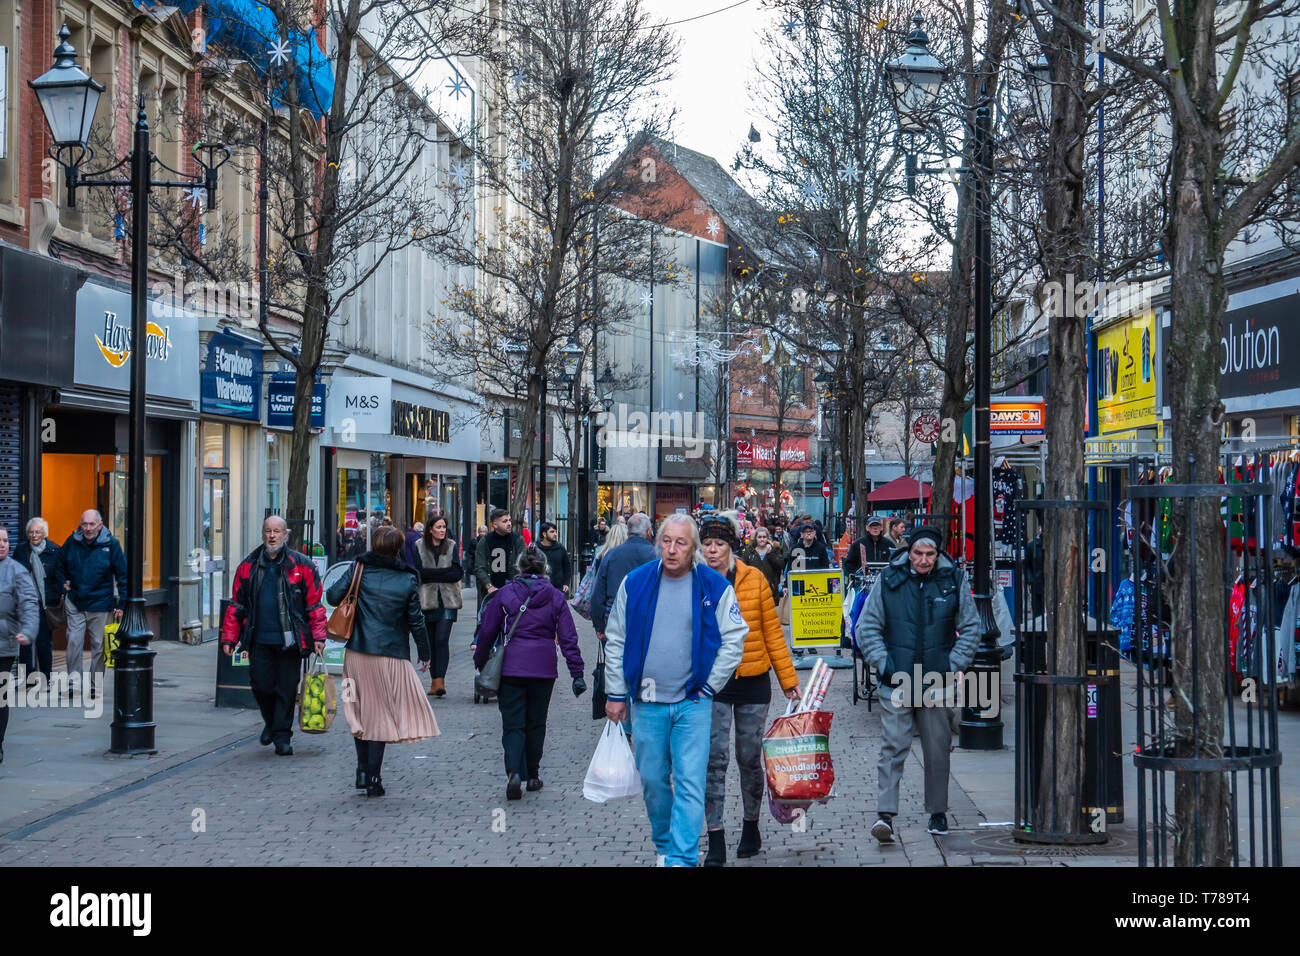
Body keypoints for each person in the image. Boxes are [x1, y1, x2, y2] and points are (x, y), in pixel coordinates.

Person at [604, 514, 748, 867]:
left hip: (692, 703)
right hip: (648, 702)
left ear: (694, 548)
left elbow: (734, 637)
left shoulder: (714, 587)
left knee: (690, 781)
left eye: (680, 543)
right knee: (653, 780)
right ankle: (666, 844)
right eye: (666, 541)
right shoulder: (636, 583)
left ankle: (681, 859)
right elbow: (616, 638)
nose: (671, 549)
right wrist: (615, 693)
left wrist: (710, 685)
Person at [854, 526, 981, 841]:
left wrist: (951, 666)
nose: (923, 560)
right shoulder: (890, 579)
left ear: (937, 555)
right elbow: (866, 627)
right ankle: (885, 815)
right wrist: (884, 665)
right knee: (893, 746)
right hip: (896, 679)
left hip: (936, 681)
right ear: (908, 552)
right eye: (918, 553)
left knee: (938, 749)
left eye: (930, 554)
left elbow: (971, 627)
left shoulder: (953, 580)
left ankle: (938, 813)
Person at [699, 514, 800, 866]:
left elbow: (773, 632)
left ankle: (751, 826)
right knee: (714, 760)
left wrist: (789, 681)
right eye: (707, 544)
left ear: (732, 547)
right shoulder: (694, 581)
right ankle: (714, 837)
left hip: (754, 681)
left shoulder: (754, 579)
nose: (712, 551)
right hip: (713, 682)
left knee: (748, 758)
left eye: (720, 544)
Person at [328, 526, 439, 797]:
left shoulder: (358, 568)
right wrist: (425, 653)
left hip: (355, 655)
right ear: (399, 549)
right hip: (389, 656)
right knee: (378, 715)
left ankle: (362, 770)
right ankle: (373, 777)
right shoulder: (407, 579)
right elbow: (416, 620)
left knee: (357, 711)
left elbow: (332, 596)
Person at [474, 546, 585, 799]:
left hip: (511, 667)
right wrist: (576, 673)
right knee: (536, 722)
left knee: (513, 724)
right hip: (543, 669)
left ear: (519, 567)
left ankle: (514, 771)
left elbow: (487, 630)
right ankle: (533, 775)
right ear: (545, 569)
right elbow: (568, 637)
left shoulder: (505, 593)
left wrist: (480, 661)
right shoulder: (556, 597)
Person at [221, 516, 327, 756]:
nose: (272, 536)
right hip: (259, 638)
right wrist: (229, 638)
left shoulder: (302, 566)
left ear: (285, 535)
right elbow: (237, 604)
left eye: (277, 531)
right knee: (260, 685)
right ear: (262, 534)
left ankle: (282, 736)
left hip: (291, 641)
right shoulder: (248, 566)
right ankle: (271, 722)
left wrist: (319, 636)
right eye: (268, 531)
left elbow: (314, 605)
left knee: (287, 689)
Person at [55, 510, 127, 699]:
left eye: (91, 524)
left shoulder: (111, 544)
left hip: (101, 604)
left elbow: (123, 574)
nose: (87, 528)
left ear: (100, 525)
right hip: (76, 601)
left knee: (99, 647)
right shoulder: (72, 542)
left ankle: (95, 685)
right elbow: (59, 564)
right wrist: (64, 583)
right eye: (84, 524)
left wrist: (122, 602)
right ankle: (73, 684)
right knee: (73, 642)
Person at [0, 527, 39, 764]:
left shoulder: (17, 571)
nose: (2, 544)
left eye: (5, 540)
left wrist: (27, 631)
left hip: (4, 645)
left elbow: (29, 605)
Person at [415, 515, 462, 698]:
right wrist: (444, 573)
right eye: (439, 527)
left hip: (448, 599)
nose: (442, 530)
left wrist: (433, 574)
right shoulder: (419, 546)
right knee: (431, 640)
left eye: (444, 527)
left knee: (442, 640)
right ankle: (434, 681)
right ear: (430, 529)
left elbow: (457, 573)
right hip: (426, 600)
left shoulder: (451, 545)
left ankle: (439, 681)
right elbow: (419, 574)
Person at [591, 512, 655, 641]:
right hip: (648, 620)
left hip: (614, 620)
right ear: (649, 532)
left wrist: (599, 626)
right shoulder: (657, 555)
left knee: (615, 659)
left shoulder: (610, 555)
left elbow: (598, 594)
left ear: (628, 533)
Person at [12, 517, 61, 686]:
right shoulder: (20, 550)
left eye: (38, 532)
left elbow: (59, 577)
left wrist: (61, 591)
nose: (34, 535)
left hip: (44, 604)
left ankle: (46, 678)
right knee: (25, 642)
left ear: (44, 533)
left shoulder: (54, 550)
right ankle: (27, 678)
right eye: (31, 532)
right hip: (24, 603)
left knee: (43, 642)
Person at [474, 509, 524, 612]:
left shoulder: (517, 539)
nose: (509, 524)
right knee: (488, 622)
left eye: (509, 520)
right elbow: (479, 567)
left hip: (513, 591)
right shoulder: (485, 541)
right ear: (495, 525)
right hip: (491, 592)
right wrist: (489, 586)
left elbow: (524, 563)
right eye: (505, 521)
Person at [739, 525, 784, 602]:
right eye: (759, 537)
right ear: (756, 538)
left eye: (764, 537)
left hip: (771, 590)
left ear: (767, 538)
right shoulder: (749, 552)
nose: (762, 539)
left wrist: (770, 554)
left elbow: (780, 565)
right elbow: (744, 569)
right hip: (754, 589)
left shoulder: (774, 550)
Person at [535, 521, 571, 594]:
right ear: (544, 534)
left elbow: (567, 566)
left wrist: (566, 583)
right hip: (540, 588)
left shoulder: (561, 548)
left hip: (558, 589)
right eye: (552, 532)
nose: (555, 534)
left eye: (555, 532)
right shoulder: (536, 549)